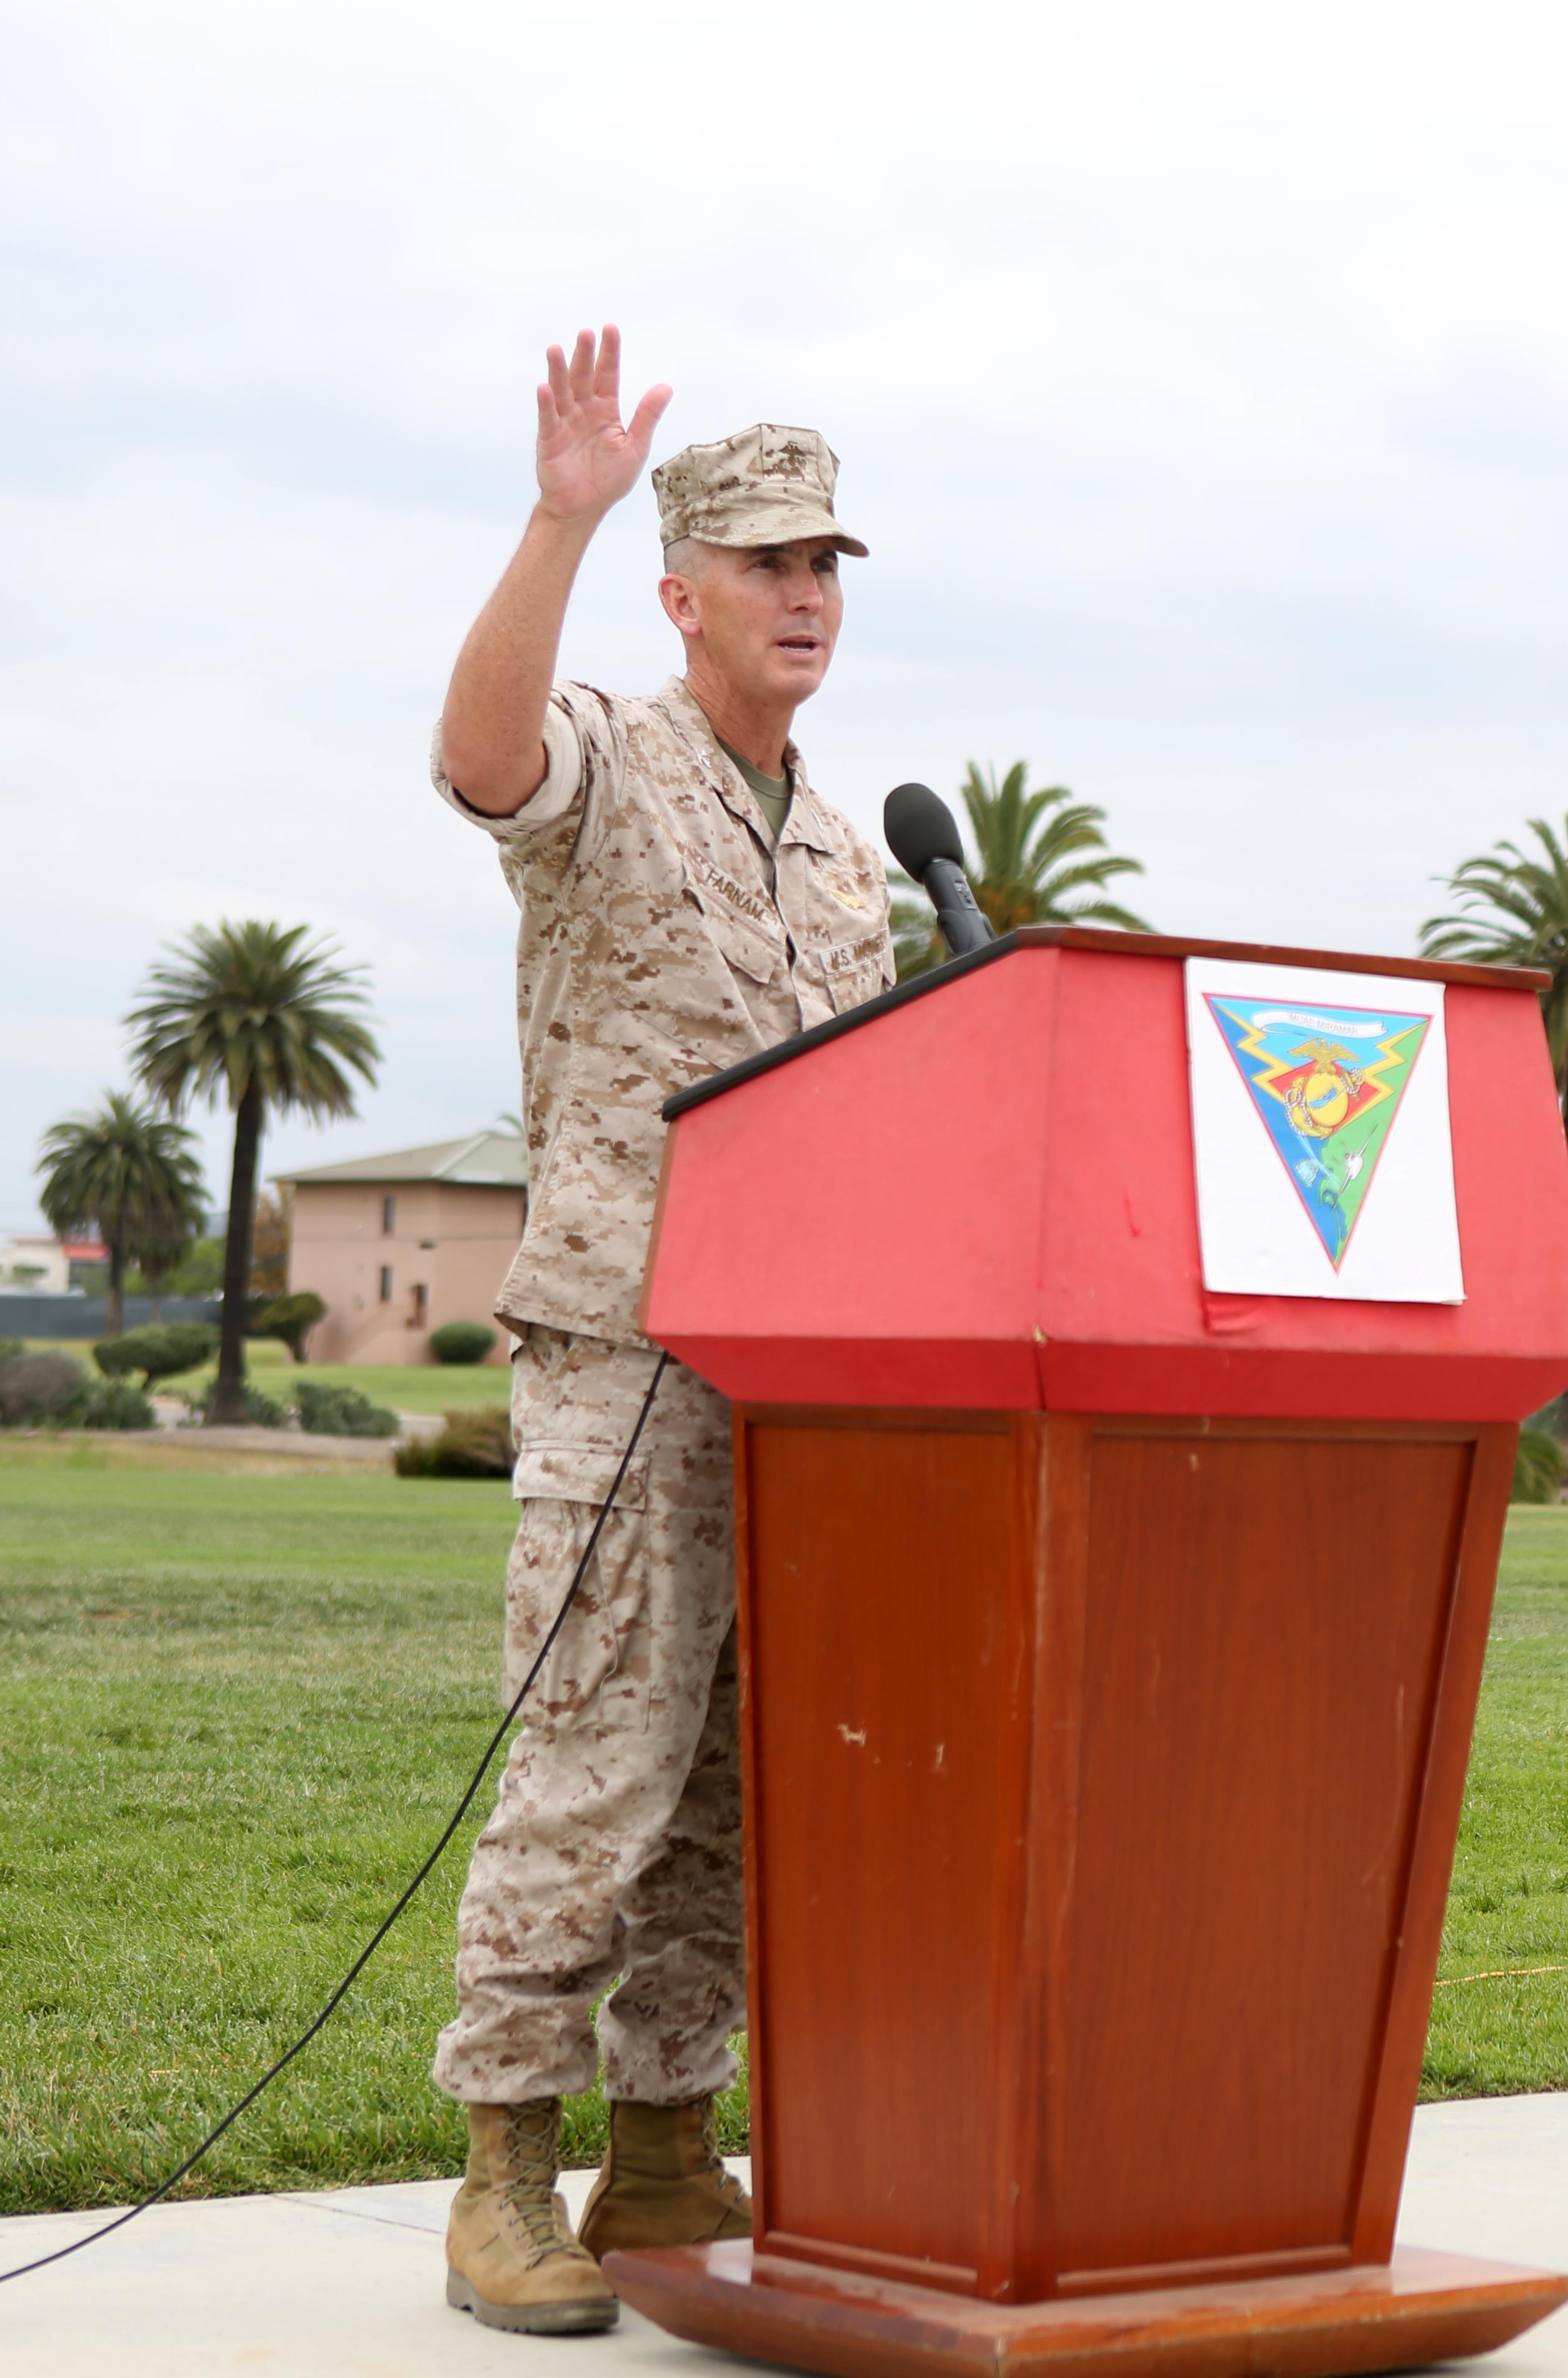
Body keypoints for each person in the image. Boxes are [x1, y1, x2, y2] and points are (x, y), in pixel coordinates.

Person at [427, 326, 897, 2335]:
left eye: (828, 567)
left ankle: (670, 2145)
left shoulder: (856, 849)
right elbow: (478, 758)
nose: (806, 597)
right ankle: (504, 2165)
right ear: (683, 590)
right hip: (629, 1355)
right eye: (769, 563)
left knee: (736, 1779)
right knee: (603, 1751)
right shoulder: (613, 757)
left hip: (800, 1377)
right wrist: (560, 513)